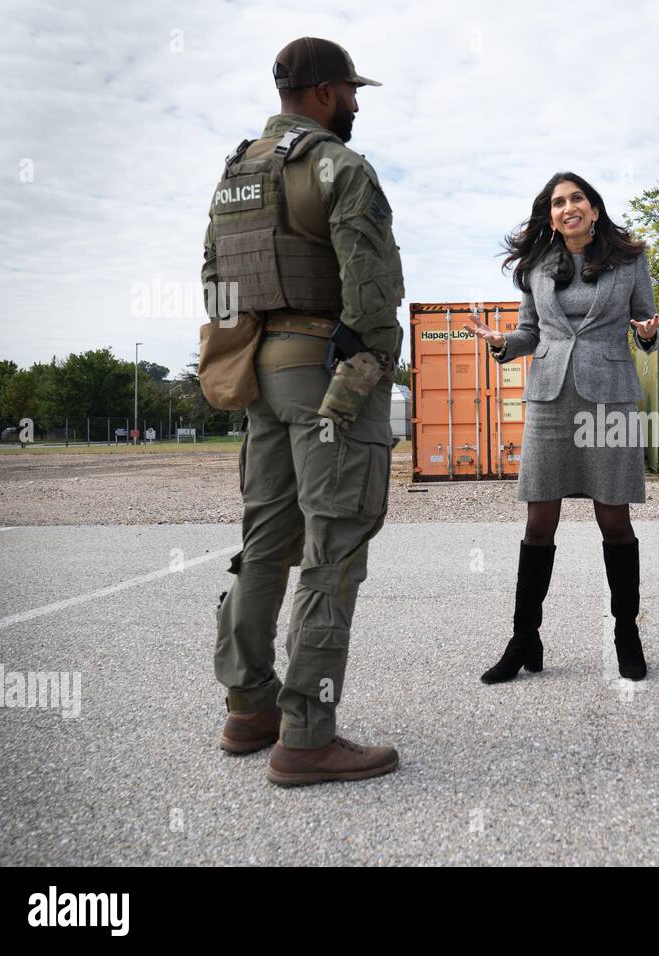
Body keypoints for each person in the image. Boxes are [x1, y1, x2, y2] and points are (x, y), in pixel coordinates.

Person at [202, 37, 405, 787]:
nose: (354, 103)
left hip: (260, 373)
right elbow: (371, 287)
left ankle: (247, 706)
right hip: (325, 371)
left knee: (263, 545)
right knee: (332, 549)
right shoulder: (340, 167)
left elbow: (214, 279)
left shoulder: (236, 173)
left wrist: (243, 359)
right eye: (350, 91)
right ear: (322, 92)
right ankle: (308, 735)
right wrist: (369, 369)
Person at [462, 172, 659, 685]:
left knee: (614, 520)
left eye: (577, 198)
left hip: (609, 400)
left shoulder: (630, 260)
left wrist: (646, 334)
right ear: (550, 215)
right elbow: (530, 334)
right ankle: (524, 637)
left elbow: (645, 324)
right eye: (558, 202)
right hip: (551, 401)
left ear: (594, 210)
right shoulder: (535, 266)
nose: (567, 207)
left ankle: (627, 632)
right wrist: (499, 342)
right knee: (538, 523)